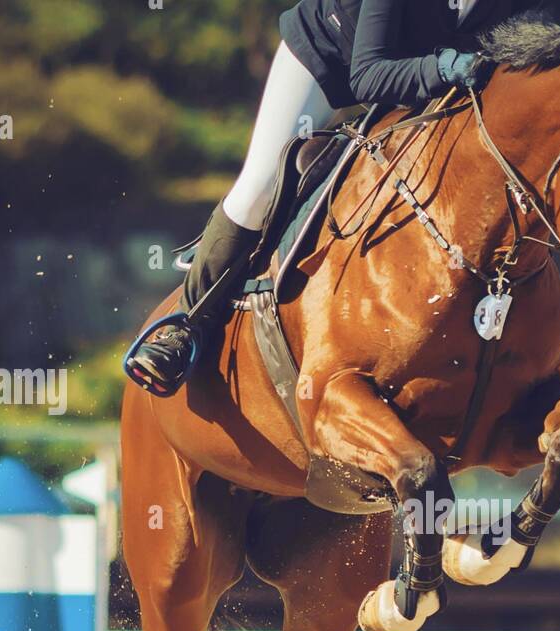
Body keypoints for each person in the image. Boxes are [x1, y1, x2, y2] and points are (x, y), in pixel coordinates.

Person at [128, 0, 536, 393]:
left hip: (420, 72)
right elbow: (369, 75)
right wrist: (445, 65)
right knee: (262, 184)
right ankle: (184, 327)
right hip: (331, 58)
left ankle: (528, 362)